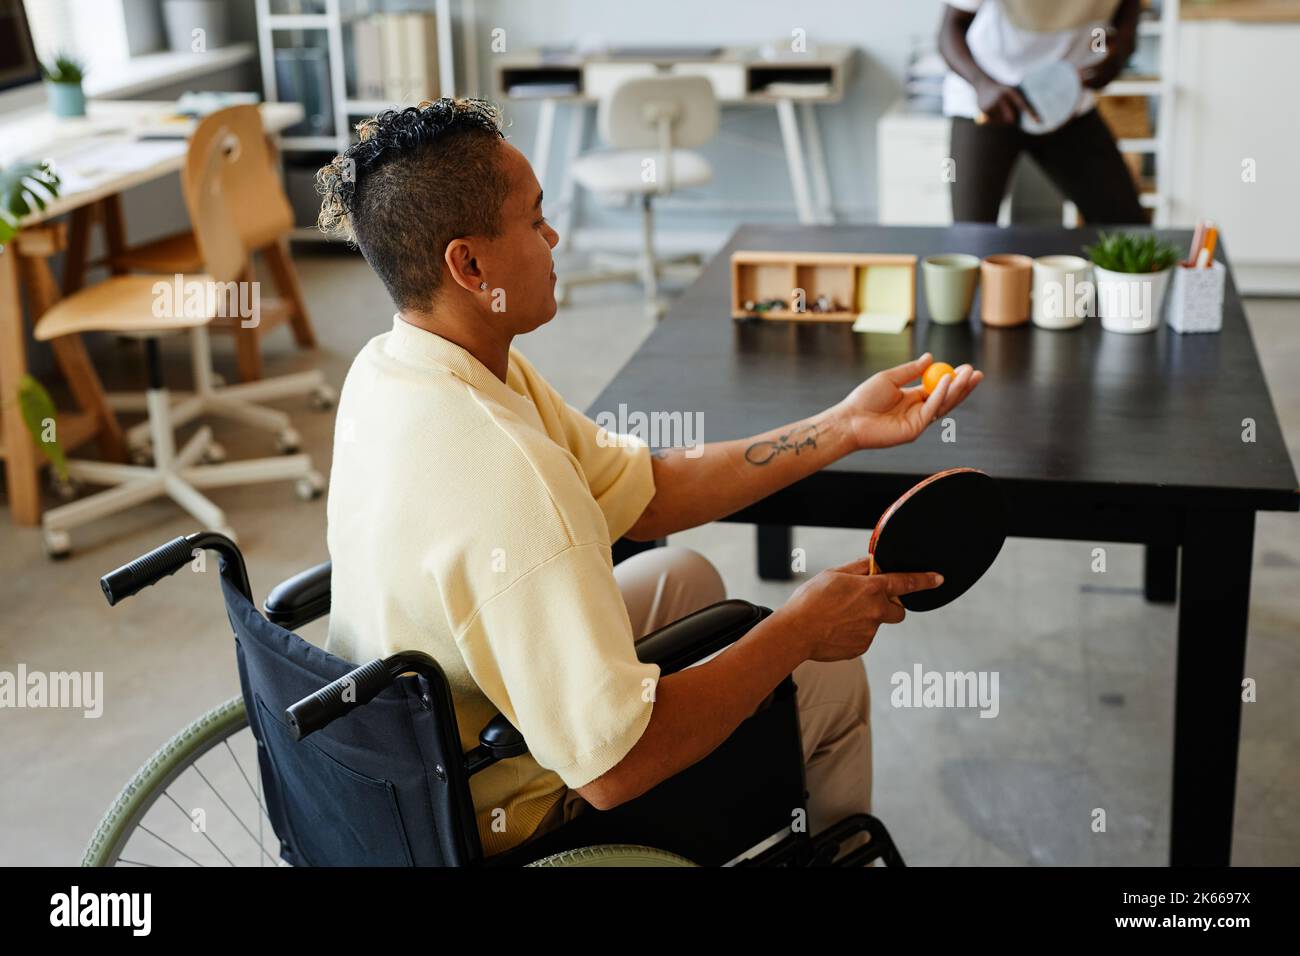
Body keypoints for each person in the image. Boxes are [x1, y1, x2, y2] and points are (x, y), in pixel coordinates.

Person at [315, 98, 982, 858]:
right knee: (830, 683)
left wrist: (844, 427)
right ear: (469, 265)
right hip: (499, 815)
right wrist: (799, 629)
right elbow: (615, 768)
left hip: (406, 743)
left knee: (681, 575)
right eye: (535, 219)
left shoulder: (398, 366)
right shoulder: (514, 477)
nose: (554, 237)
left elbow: (651, 491)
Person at [939, 0, 1147, 224]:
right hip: (990, 104)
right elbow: (949, 30)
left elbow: (1127, 18)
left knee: (1127, 226)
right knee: (972, 232)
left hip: (1069, 107)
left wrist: (1118, 54)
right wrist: (983, 85)